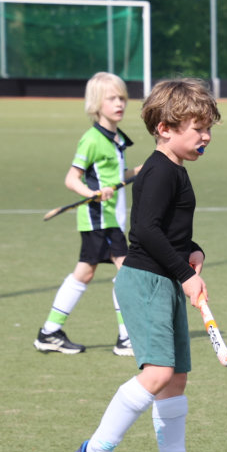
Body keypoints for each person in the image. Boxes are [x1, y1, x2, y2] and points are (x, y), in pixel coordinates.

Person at [69, 78, 227, 452]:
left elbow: (170, 231)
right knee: (157, 373)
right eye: (196, 127)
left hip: (165, 279)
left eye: (208, 128)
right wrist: (185, 273)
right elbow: (143, 232)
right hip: (145, 281)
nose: (206, 136)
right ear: (164, 128)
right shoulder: (159, 170)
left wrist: (192, 252)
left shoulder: (175, 170)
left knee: (175, 380)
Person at [35, 72, 141, 356]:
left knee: (84, 273)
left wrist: (141, 171)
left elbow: (116, 177)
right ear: (96, 104)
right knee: (127, 272)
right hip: (99, 218)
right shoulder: (92, 140)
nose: (120, 103)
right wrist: (91, 193)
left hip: (111, 217)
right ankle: (126, 338)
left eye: (122, 98)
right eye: (112, 98)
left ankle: (49, 332)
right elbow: (72, 179)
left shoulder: (115, 139)